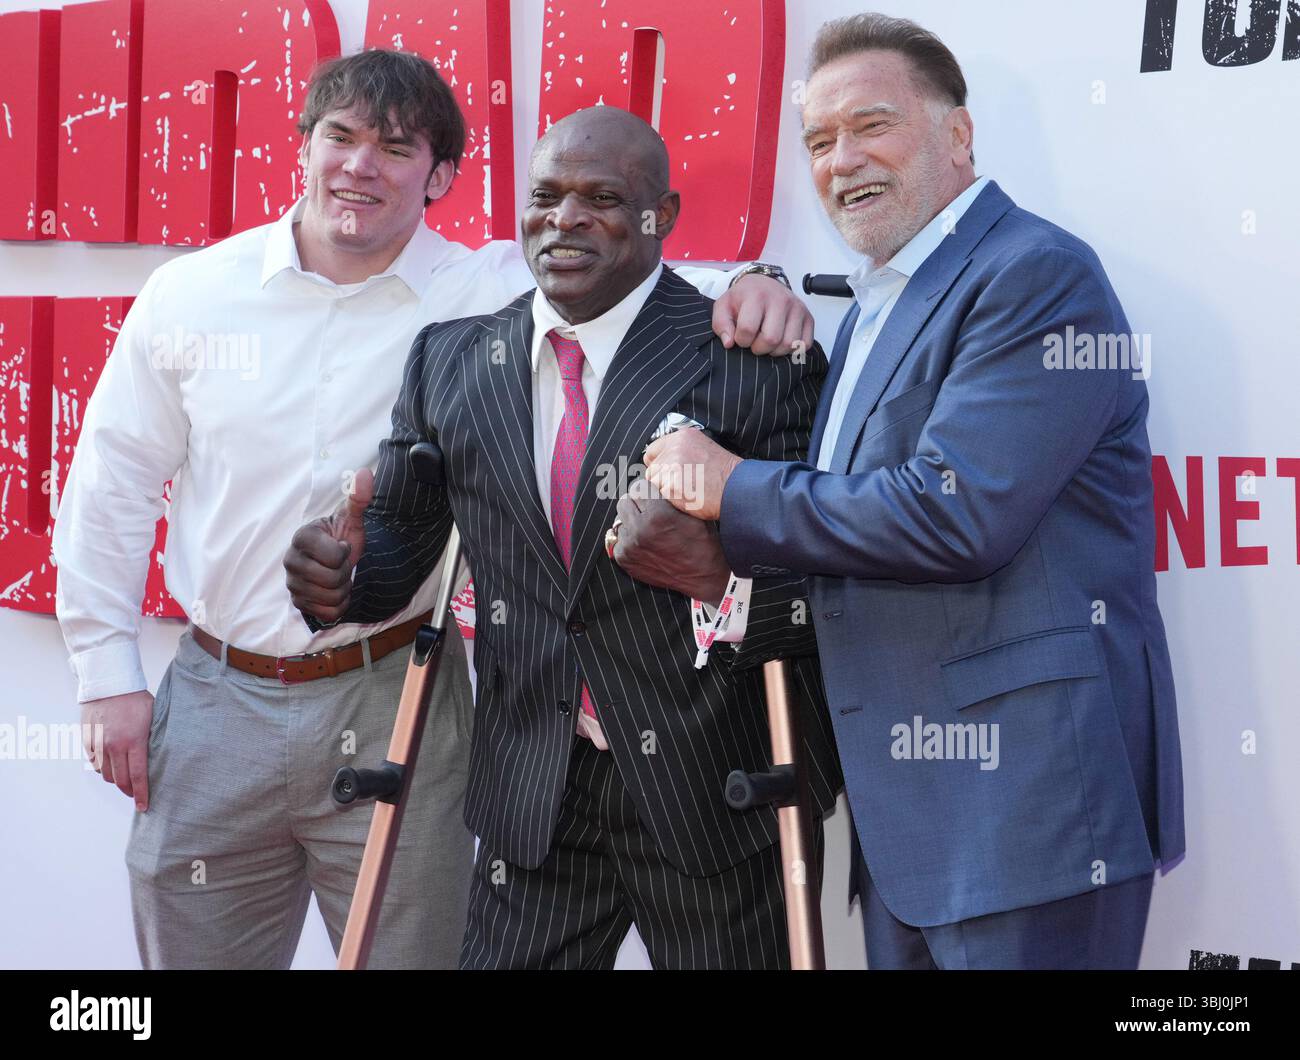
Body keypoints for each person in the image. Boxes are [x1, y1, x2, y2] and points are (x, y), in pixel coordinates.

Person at [53, 48, 812, 970]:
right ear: (303, 148)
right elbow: (113, 483)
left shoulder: (487, 291)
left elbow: (642, 274)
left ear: (442, 175)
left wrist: (764, 276)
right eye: (339, 136)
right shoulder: (190, 294)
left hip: (399, 697)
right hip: (217, 697)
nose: (359, 166)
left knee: (414, 953)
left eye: (395, 147)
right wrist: (106, 674)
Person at [643, 13, 1184, 970]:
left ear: (958, 135)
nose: (841, 160)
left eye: (872, 126)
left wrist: (732, 490)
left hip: (1029, 819)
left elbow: (953, 514)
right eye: (818, 141)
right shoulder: (882, 301)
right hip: (911, 831)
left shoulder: (1034, 275)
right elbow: (857, 534)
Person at [285, 106, 843, 969]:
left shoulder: (751, 357)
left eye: (603, 197)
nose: (565, 218)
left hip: (713, 790)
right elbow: (399, 538)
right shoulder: (451, 360)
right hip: (534, 795)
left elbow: (835, 581)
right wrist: (345, 581)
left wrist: (719, 580)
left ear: (663, 213)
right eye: (545, 195)